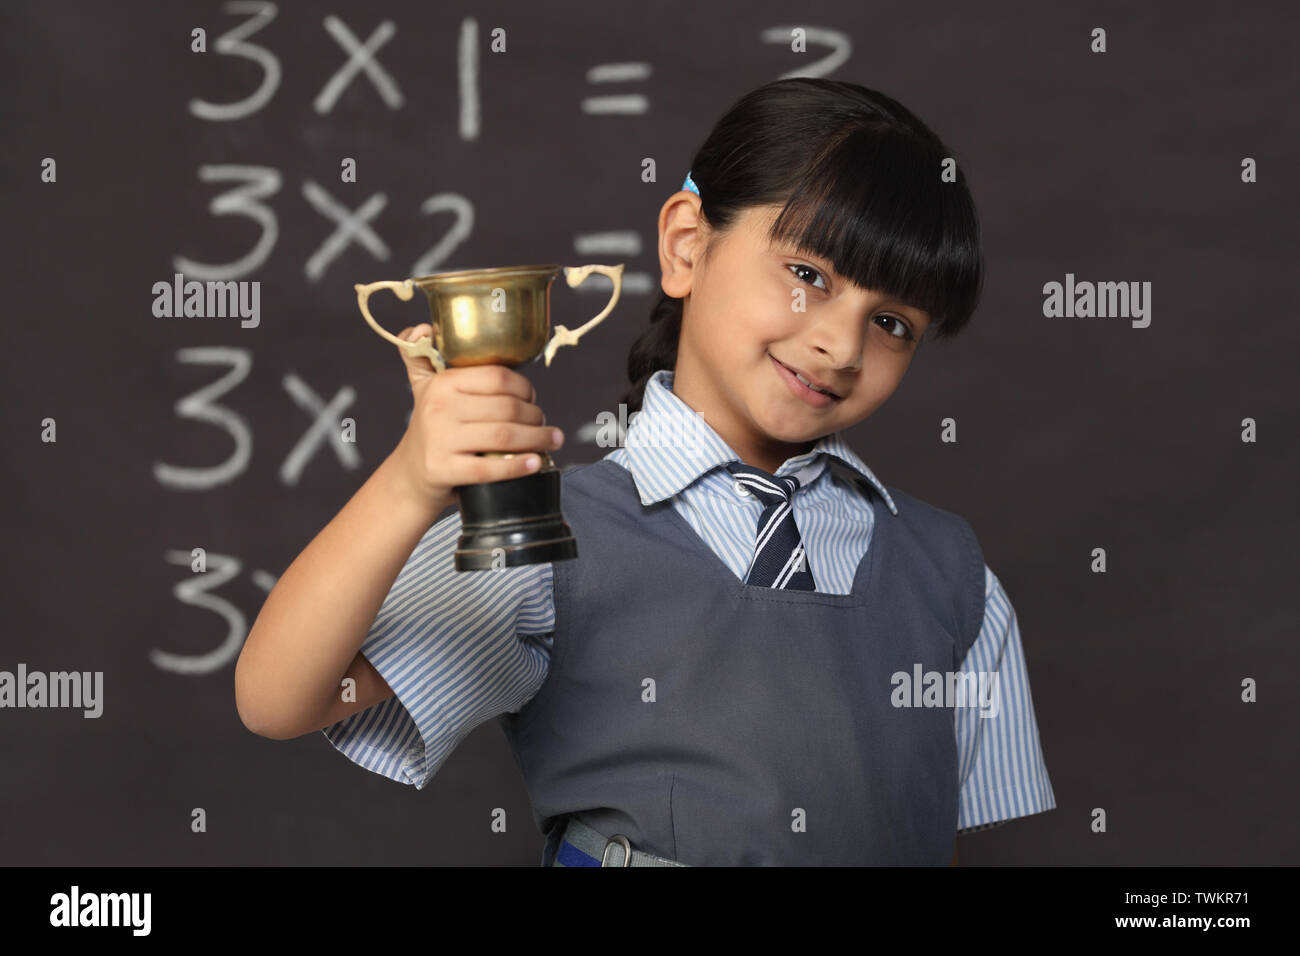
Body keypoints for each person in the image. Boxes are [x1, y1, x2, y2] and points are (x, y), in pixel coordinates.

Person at [235, 77, 1055, 866]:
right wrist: (410, 483)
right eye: (808, 276)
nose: (841, 347)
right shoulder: (553, 535)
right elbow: (281, 700)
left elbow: (937, 834)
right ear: (687, 244)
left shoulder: (954, 578)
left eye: (891, 322)